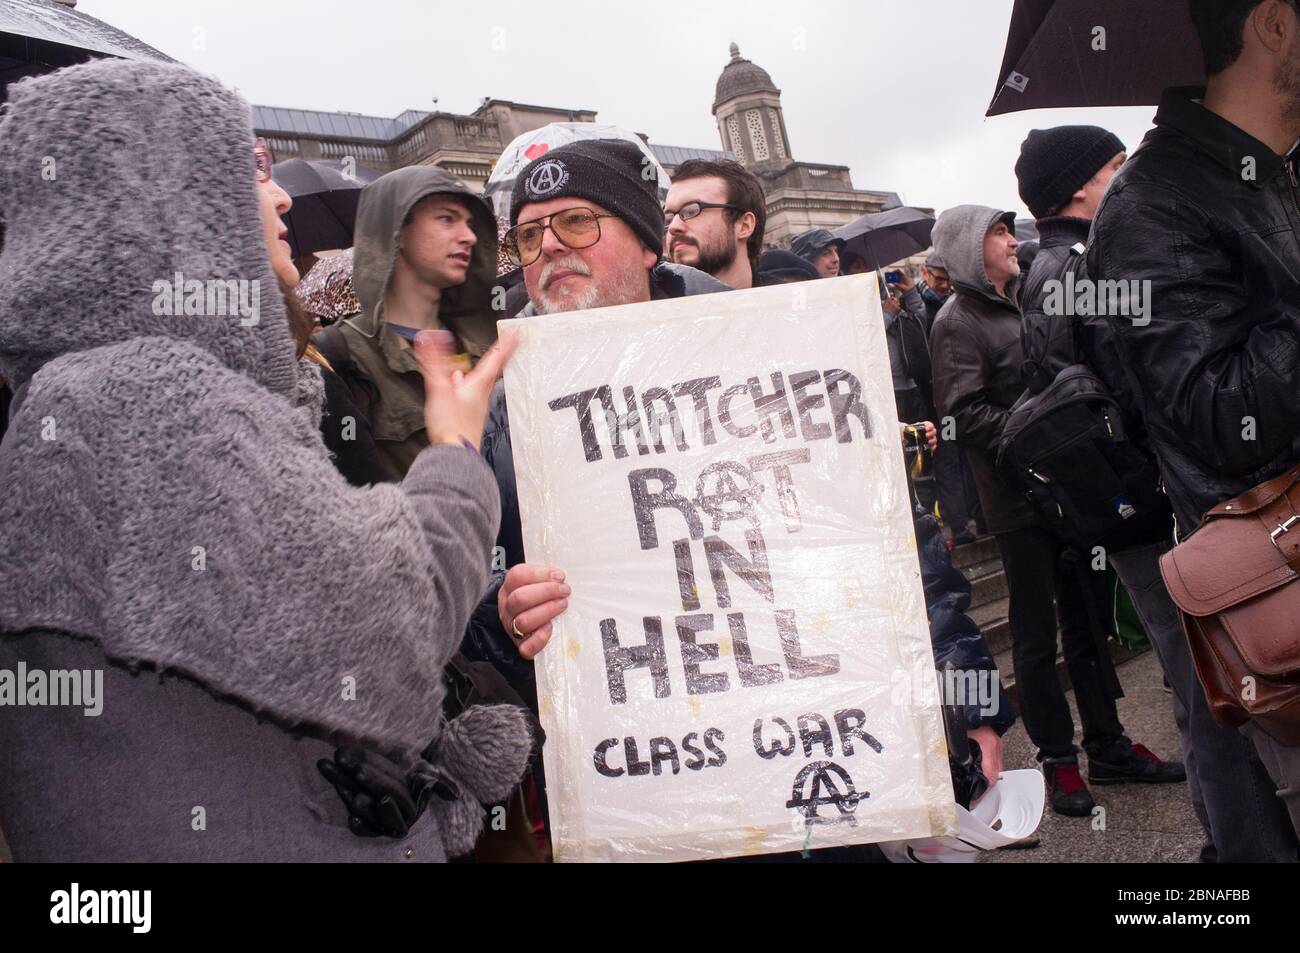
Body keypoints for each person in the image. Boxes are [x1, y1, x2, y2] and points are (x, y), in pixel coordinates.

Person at [0, 58, 529, 862]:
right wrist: (455, 449)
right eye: (246, 168)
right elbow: (393, 626)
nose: (280, 193)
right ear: (168, 203)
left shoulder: (87, 390)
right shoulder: (145, 395)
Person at [482, 142, 1014, 830]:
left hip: (814, 756)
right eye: (529, 234)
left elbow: (893, 541)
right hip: (651, 786)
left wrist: (963, 699)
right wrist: (505, 617)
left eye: (576, 222)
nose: (548, 245)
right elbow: (474, 603)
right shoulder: (502, 406)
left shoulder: (769, 349)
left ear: (648, 244)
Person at [1018, 125, 1298, 860]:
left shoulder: (1056, 265)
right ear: (1078, 186)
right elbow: (1133, 384)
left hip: (1134, 506)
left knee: (1203, 689)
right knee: (1216, 695)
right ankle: (1242, 851)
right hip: (1148, 508)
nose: (1125, 174)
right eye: (1114, 164)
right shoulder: (1072, 269)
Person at [1087, 0, 1300, 838]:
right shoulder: (1154, 205)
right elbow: (1224, 415)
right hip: (1275, 581)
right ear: (1276, 24)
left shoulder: (1267, 172)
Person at [930, 205, 1185, 818]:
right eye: (996, 232)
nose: (1010, 240)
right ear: (969, 247)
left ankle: (1109, 746)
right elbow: (961, 414)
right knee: (1037, 637)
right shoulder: (956, 319)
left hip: (1072, 494)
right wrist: (1041, 431)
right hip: (1018, 504)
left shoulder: (1027, 297)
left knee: (1089, 624)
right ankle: (1058, 762)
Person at [313, 165, 501, 481]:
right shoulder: (340, 357)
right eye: (446, 218)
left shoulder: (490, 344)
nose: (468, 236)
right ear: (396, 232)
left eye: (470, 223)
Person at [664, 158, 765, 289]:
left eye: (691, 210)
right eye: (668, 218)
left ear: (744, 226)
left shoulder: (791, 302)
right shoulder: (648, 308)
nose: (673, 226)